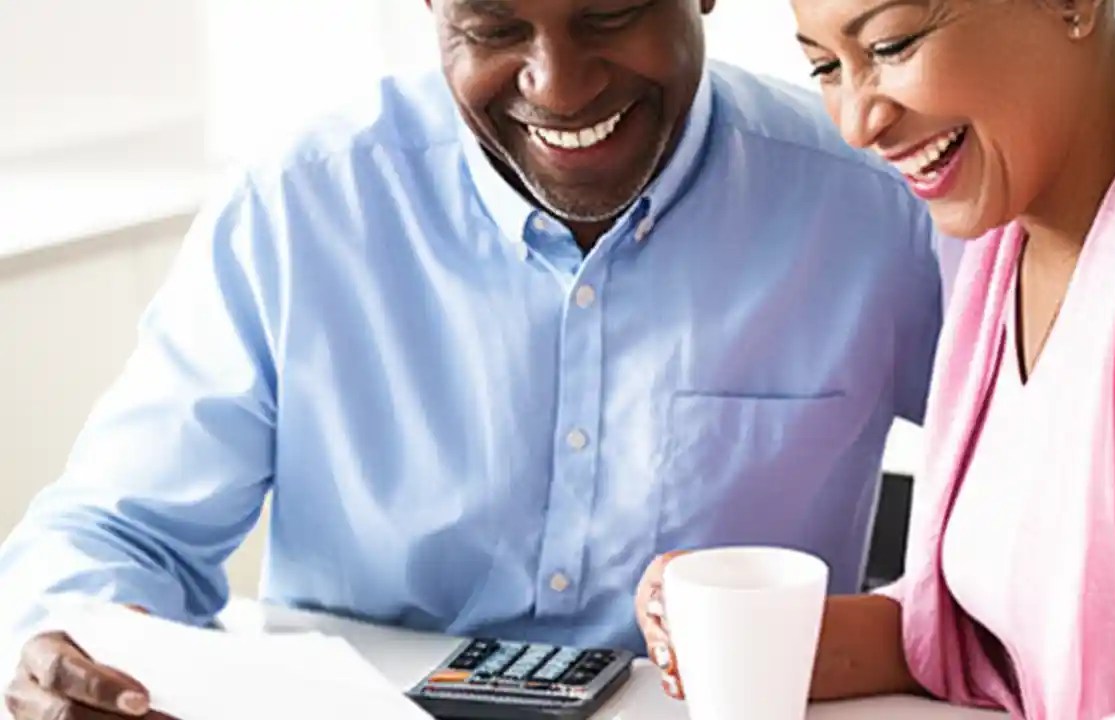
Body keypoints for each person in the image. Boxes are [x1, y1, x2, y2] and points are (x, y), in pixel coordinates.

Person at [0, 1, 948, 719]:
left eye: (609, 14)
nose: (559, 85)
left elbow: (1038, 535)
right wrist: (69, 636)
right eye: (494, 26)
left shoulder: (879, 205)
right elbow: (119, 535)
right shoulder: (301, 209)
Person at [637, 0, 1115, 717]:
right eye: (825, 67)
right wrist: (754, 628)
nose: (856, 124)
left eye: (891, 45)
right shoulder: (1008, 240)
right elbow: (1000, 633)